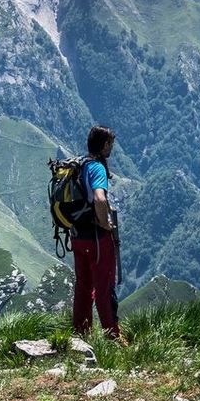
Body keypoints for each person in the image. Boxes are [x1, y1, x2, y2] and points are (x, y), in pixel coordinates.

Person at [72, 124, 124, 343]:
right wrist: (105, 225)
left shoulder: (78, 165)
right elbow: (100, 198)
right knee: (104, 286)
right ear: (105, 145)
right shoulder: (97, 168)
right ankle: (112, 337)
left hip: (76, 236)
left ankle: (81, 336)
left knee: (84, 286)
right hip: (96, 238)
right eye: (110, 144)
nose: (111, 148)